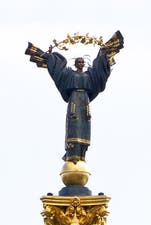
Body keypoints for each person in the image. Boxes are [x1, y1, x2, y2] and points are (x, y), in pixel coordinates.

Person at [26, 32, 123, 162]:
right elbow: (57, 68)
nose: (81, 63)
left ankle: (82, 154)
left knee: (84, 128)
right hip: (74, 101)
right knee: (74, 127)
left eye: (83, 61)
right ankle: (71, 153)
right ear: (75, 64)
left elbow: (99, 69)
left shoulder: (90, 76)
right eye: (79, 61)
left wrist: (103, 54)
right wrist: (50, 57)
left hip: (85, 102)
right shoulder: (69, 75)